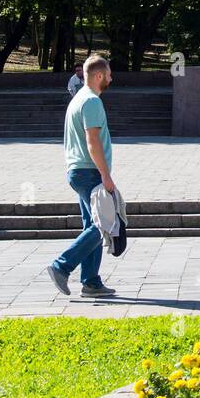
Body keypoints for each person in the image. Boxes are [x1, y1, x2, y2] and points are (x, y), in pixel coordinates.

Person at [47, 53, 117, 298]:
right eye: (108, 74)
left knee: (92, 225)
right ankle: (61, 266)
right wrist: (105, 175)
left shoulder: (78, 99)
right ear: (98, 76)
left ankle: (91, 282)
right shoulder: (92, 102)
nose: (111, 78)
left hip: (77, 170)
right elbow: (92, 140)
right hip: (90, 171)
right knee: (102, 225)